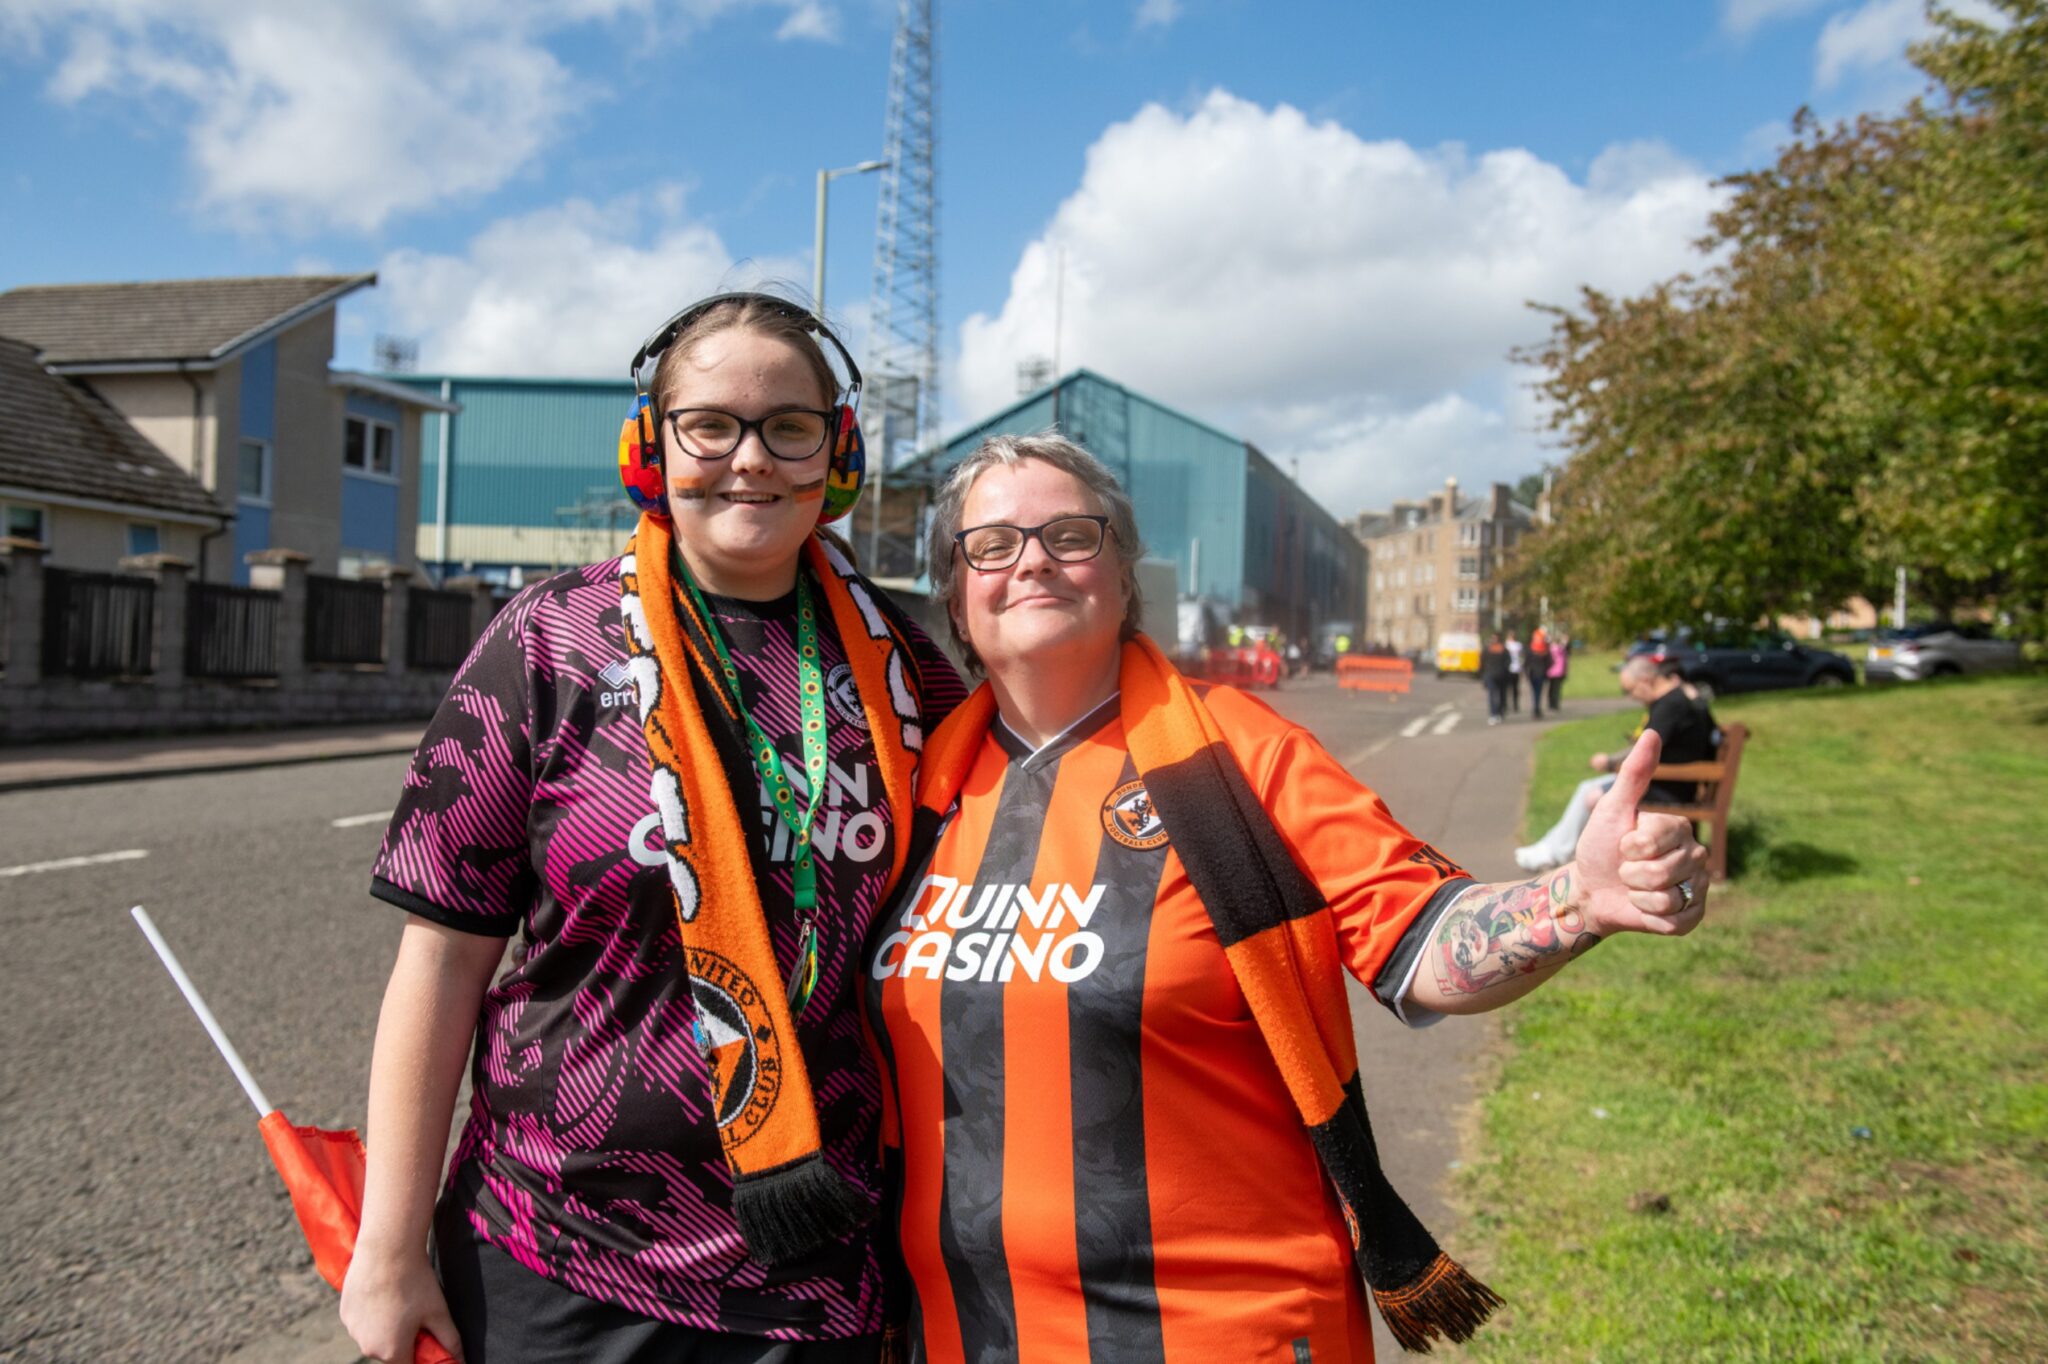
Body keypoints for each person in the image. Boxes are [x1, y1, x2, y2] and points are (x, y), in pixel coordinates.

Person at [865, 435, 1709, 1362]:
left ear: (1122, 571)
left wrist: (1578, 899)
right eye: (991, 543)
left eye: (1071, 533)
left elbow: (1420, 936)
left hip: (1222, 1335)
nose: (1032, 558)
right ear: (955, 587)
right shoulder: (916, 789)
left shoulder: (1240, 756)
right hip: (967, 1338)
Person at [341, 291, 967, 1364]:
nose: (749, 459)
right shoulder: (547, 644)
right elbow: (440, 964)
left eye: (789, 426)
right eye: (710, 423)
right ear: (651, 445)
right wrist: (388, 1248)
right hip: (552, 1252)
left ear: (838, 453)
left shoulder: (917, 678)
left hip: (820, 1272)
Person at [1515, 655, 1718, 873]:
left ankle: (1560, 854)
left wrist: (1611, 762)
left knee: (1593, 795)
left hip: (1667, 787)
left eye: (1630, 690)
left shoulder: (1671, 705)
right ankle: (1551, 848)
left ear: (1647, 680)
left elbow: (1643, 750)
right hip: (1662, 780)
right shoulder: (1674, 700)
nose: (1632, 697)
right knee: (1587, 788)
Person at [1479, 630, 1511, 725]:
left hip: (1490, 675)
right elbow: (1508, 663)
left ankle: (1493, 714)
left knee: (1492, 695)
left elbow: (1481, 663)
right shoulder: (1504, 650)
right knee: (1501, 695)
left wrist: (1482, 675)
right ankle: (1499, 713)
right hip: (1501, 675)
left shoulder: (1487, 649)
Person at [1527, 626, 1551, 721]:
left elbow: (1526, 663)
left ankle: (1536, 708)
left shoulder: (1531, 649)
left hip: (1532, 674)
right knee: (1538, 692)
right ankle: (1537, 709)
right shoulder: (1545, 650)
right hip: (1540, 674)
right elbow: (1549, 662)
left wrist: (1526, 673)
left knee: (1534, 692)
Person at [1546, 631, 1570, 712]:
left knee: (1551, 688)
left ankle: (1551, 703)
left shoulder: (1550, 649)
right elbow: (1565, 661)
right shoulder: (1561, 650)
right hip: (1559, 671)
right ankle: (1555, 703)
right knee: (1557, 688)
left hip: (1551, 671)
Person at [1505, 633, 1524, 712]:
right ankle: (1514, 705)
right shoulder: (1518, 645)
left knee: (1511, 688)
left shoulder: (1507, 645)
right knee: (1514, 688)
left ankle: (1512, 704)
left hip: (1513, 669)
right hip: (1513, 669)